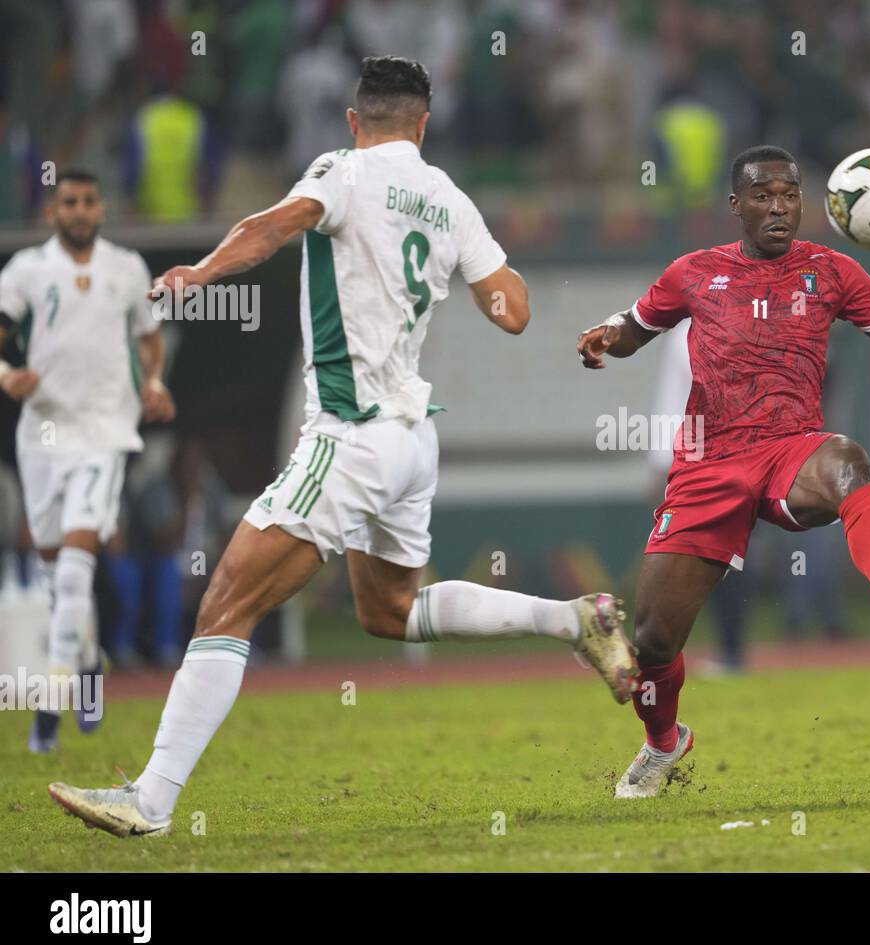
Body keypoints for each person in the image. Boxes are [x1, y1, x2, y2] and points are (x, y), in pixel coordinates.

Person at [48, 57, 636, 838]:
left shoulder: (342, 169)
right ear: (423, 127)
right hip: (413, 441)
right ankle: (573, 619)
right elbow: (514, 310)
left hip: (350, 434)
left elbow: (271, 226)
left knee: (226, 604)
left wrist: (200, 272)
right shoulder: (447, 198)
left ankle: (151, 801)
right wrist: (468, 272)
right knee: (388, 610)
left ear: (355, 121)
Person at [577, 145, 870, 798]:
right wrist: (605, 335)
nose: (779, 207)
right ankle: (663, 743)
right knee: (650, 642)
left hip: (791, 450)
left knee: (847, 460)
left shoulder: (832, 271)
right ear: (737, 206)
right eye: (763, 196)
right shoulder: (694, 274)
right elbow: (637, 326)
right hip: (707, 464)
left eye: (789, 195)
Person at [0, 169, 176, 753]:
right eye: (69, 202)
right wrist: (7, 375)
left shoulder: (126, 268)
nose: (79, 210)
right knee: (57, 580)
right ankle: (88, 665)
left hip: (105, 430)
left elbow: (149, 339)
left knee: (76, 570)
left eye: (89, 201)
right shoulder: (26, 270)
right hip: (44, 435)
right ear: (52, 211)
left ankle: (49, 707)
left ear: (102, 208)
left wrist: (152, 381)